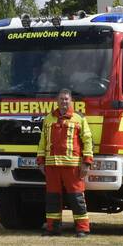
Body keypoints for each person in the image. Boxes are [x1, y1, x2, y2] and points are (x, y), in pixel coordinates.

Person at [36, 88, 94, 237]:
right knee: (52, 198)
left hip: (72, 166)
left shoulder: (79, 118)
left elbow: (88, 141)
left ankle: (82, 229)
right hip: (52, 166)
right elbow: (43, 141)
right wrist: (40, 161)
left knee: (76, 198)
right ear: (57, 101)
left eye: (66, 99)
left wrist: (87, 162)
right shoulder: (49, 118)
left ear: (71, 101)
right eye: (61, 99)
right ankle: (53, 228)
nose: (64, 102)